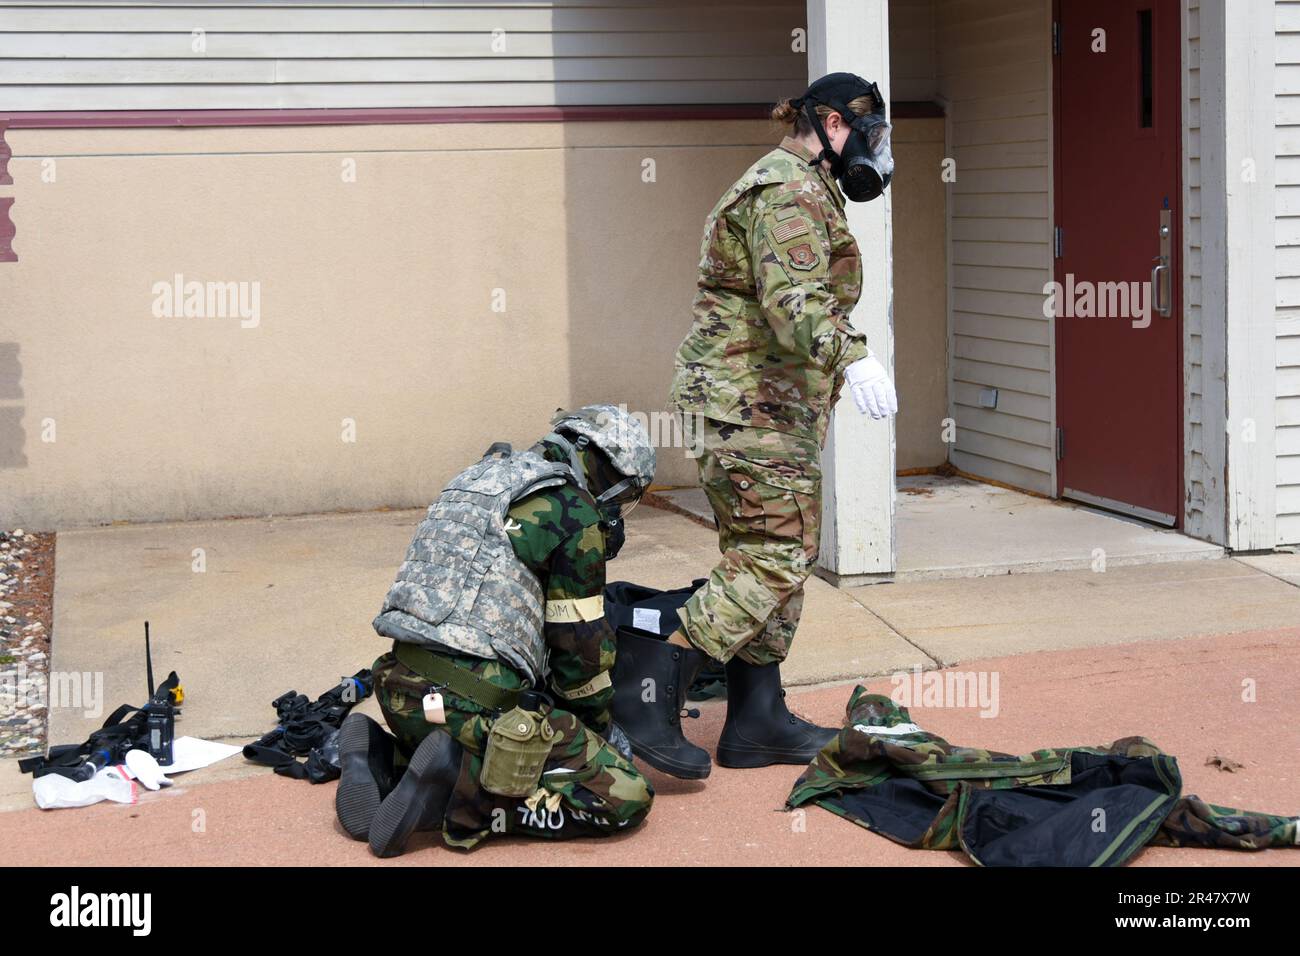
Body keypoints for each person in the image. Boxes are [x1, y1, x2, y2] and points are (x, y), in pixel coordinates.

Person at [613, 73, 900, 777]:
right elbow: (794, 300)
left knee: (765, 556)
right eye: (871, 134)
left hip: (766, 406)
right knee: (776, 557)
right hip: (752, 406)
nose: (878, 151)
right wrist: (856, 358)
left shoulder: (799, 186)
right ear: (832, 124)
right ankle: (648, 686)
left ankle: (757, 719)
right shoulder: (787, 192)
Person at [335, 404, 656, 856]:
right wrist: (597, 730)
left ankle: (386, 758)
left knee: (473, 727)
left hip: (397, 687)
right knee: (624, 796)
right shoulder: (572, 510)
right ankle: (458, 799)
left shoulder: (480, 476)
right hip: (471, 704)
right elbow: (579, 655)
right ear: (601, 466)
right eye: (623, 494)